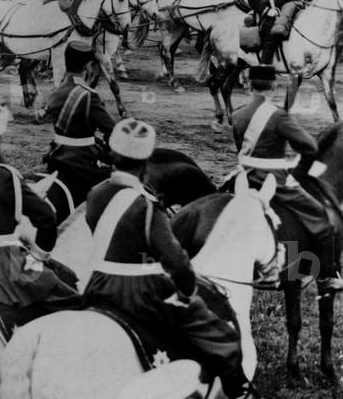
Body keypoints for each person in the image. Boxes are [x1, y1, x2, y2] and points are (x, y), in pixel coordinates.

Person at [84, 119, 254, 399]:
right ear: (146, 162)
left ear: (113, 155)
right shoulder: (147, 207)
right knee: (221, 336)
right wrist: (187, 292)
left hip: (96, 286)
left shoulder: (95, 194)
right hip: (140, 294)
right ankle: (239, 390)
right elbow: (176, 261)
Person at [231, 65, 343, 296]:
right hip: (273, 181)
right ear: (274, 86)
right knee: (322, 217)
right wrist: (296, 164)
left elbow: (242, 149)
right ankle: (327, 277)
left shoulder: (237, 115)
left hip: (243, 178)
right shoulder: (278, 116)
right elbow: (310, 147)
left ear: (249, 85)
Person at [0, 103, 82, 320]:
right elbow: (46, 217)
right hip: (3, 264)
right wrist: (37, 257)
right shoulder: (6, 177)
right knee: (72, 302)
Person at [40, 42, 116, 199]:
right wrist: (109, 155)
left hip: (56, 155)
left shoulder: (57, 91)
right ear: (88, 66)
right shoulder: (88, 95)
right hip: (82, 163)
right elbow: (112, 130)